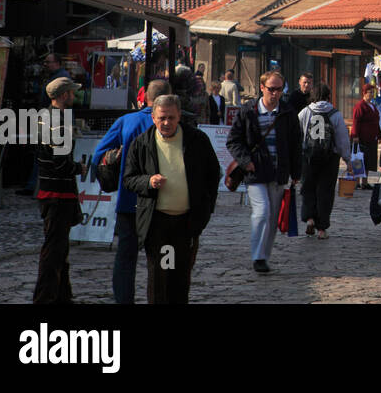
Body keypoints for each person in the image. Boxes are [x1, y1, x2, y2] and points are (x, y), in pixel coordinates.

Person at [123, 95, 220, 303]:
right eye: (162, 118)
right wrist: (148, 182)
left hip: (185, 223)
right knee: (159, 278)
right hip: (157, 222)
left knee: (180, 278)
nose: (166, 123)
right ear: (153, 117)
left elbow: (213, 175)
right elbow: (129, 179)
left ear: (179, 117)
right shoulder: (142, 143)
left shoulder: (196, 140)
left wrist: (205, 209)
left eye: (171, 118)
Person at [93, 78, 170, 304]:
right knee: (163, 256)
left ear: (144, 96)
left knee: (126, 257)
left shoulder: (126, 121)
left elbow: (99, 155)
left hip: (130, 201)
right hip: (164, 203)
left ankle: (123, 301)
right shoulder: (173, 123)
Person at [226, 70, 302, 273]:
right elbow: (233, 140)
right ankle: (257, 256)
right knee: (262, 212)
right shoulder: (248, 111)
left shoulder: (287, 113)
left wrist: (296, 173)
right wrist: (245, 160)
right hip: (256, 171)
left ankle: (264, 256)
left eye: (279, 89)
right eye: (271, 89)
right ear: (262, 88)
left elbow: (295, 144)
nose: (275, 93)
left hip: (278, 172)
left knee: (272, 216)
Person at [33, 76, 80, 304]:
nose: (74, 96)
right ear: (63, 95)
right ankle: (45, 298)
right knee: (53, 250)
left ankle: (63, 296)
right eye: (71, 92)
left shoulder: (44, 117)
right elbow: (62, 163)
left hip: (49, 190)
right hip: (58, 193)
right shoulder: (59, 122)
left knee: (60, 250)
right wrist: (79, 167)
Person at [298, 84, 351, 239]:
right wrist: (347, 159)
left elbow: (298, 134)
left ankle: (309, 219)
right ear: (329, 96)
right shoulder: (335, 114)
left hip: (308, 156)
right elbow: (342, 139)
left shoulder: (305, 112)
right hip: (330, 158)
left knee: (308, 188)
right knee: (325, 191)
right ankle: (322, 228)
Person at [350, 82, 381, 190]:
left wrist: (379, 135)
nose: (372, 94)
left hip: (371, 138)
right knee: (359, 160)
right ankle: (356, 182)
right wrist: (355, 136)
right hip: (361, 138)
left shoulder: (373, 106)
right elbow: (356, 121)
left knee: (368, 161)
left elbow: (376, 122)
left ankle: (365, 182)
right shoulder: (360, 106)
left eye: (373, 92)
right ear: (364, 93)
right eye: (370, 92)